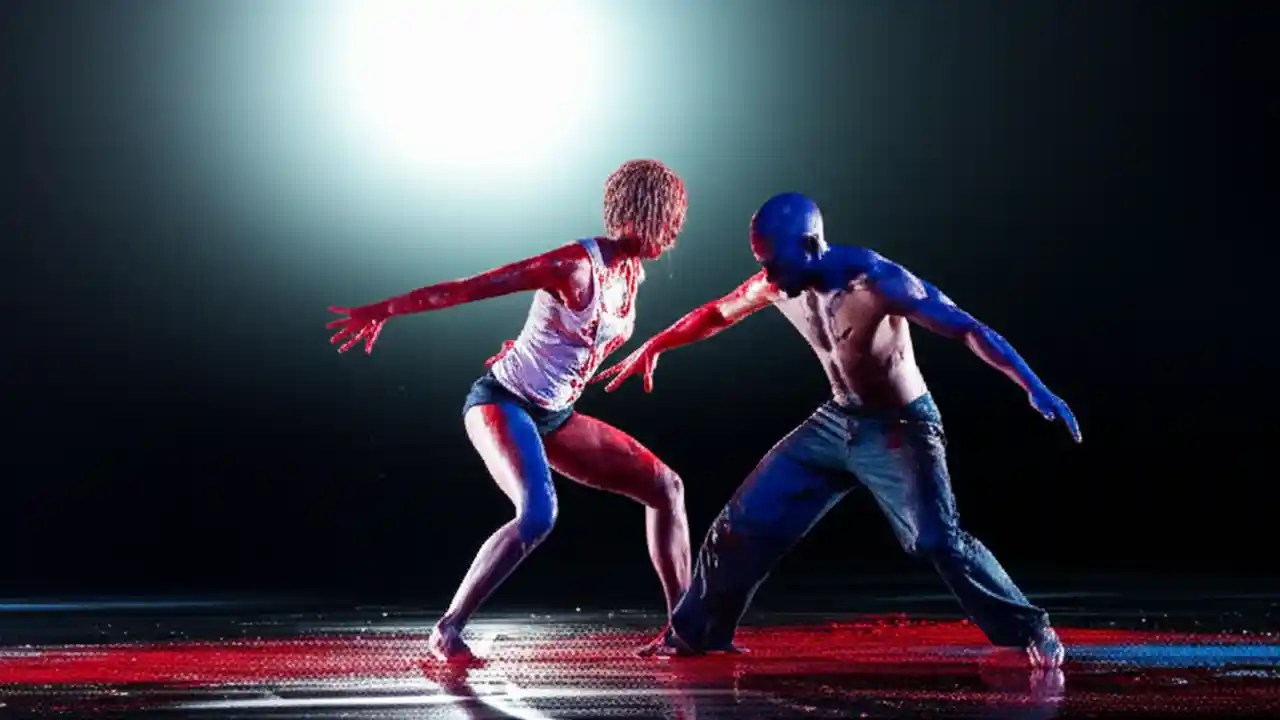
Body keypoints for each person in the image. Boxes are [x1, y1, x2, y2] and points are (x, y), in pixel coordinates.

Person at [595, 192, 1080, 668]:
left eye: (774, 262)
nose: (767, 275)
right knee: (741, 525)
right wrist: (655, 345)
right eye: (762, 262)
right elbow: (716, 314)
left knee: (936, 539)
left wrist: (1033, 386)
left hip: (900, 426)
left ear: (810, 246)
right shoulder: (777, 283)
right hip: (836, 422)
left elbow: (967, 327)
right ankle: (696, 635)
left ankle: (1029, 629)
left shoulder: (875, 280)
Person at [327, 160, 693, 662]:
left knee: (666, 488)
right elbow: (470, 287)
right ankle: (447, 630)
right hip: (502, 401)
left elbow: (568, 342)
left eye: (676, 219)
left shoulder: (633, 274)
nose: (673, 230)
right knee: (538, 515)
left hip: (556, 414)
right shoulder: (574, 264)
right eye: (665, 216)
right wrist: (383, 310)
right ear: (634, 214)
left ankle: (685, 630)